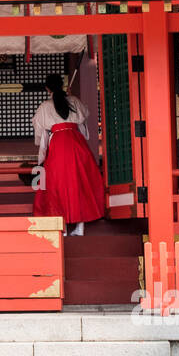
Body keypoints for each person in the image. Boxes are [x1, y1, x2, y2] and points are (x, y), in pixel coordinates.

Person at [32, 73, 105, 235]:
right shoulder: (74, 101)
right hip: (77, 143)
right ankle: (80, 227)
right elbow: (84, 126)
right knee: (80, 183)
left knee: (57, 185)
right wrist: (71, 98)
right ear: (62, 85)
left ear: (47, 88)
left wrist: (41, 157)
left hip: (58, 145)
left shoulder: (45, 106)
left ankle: (62, 228)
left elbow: (41, 135)